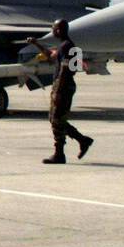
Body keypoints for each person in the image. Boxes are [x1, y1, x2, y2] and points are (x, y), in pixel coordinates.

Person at [27, 19, 94, 164]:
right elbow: (52, 57)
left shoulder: (66, 47)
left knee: (56, 119)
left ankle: (60, 153)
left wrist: (58, 89)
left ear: (58, 30)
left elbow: (66, 69)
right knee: (55, 119)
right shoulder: (68, 46)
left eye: (54, 28)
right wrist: (36, 44)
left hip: (63, 86)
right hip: (65, 85)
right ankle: (81, 141)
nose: (52, 31)